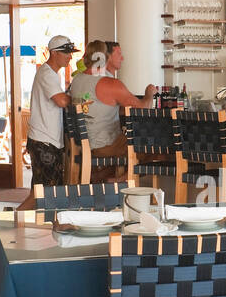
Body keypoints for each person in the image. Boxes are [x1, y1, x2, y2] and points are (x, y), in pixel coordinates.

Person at [70, 40, 156, 178]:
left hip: (82, 143)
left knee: (131, 142)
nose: (122, 58)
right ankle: (121, 180)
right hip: (104, 146)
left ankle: (103, 178)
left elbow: (97, 107)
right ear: (106, 58)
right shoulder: (110, 83)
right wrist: (149, 94)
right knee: (154, 143)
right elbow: (143, 110)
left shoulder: (77, 80)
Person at [25, 34, 77, 196]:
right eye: (66, 52)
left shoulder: (54, 74)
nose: (70, 57)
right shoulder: (47, 73)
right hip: (44, 141)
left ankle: (16, 219)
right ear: (54, 53)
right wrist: (77, 97)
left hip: (46, 140)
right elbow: (61, 101)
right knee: (47, 192)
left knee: (41, 192)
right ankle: (13, 218)